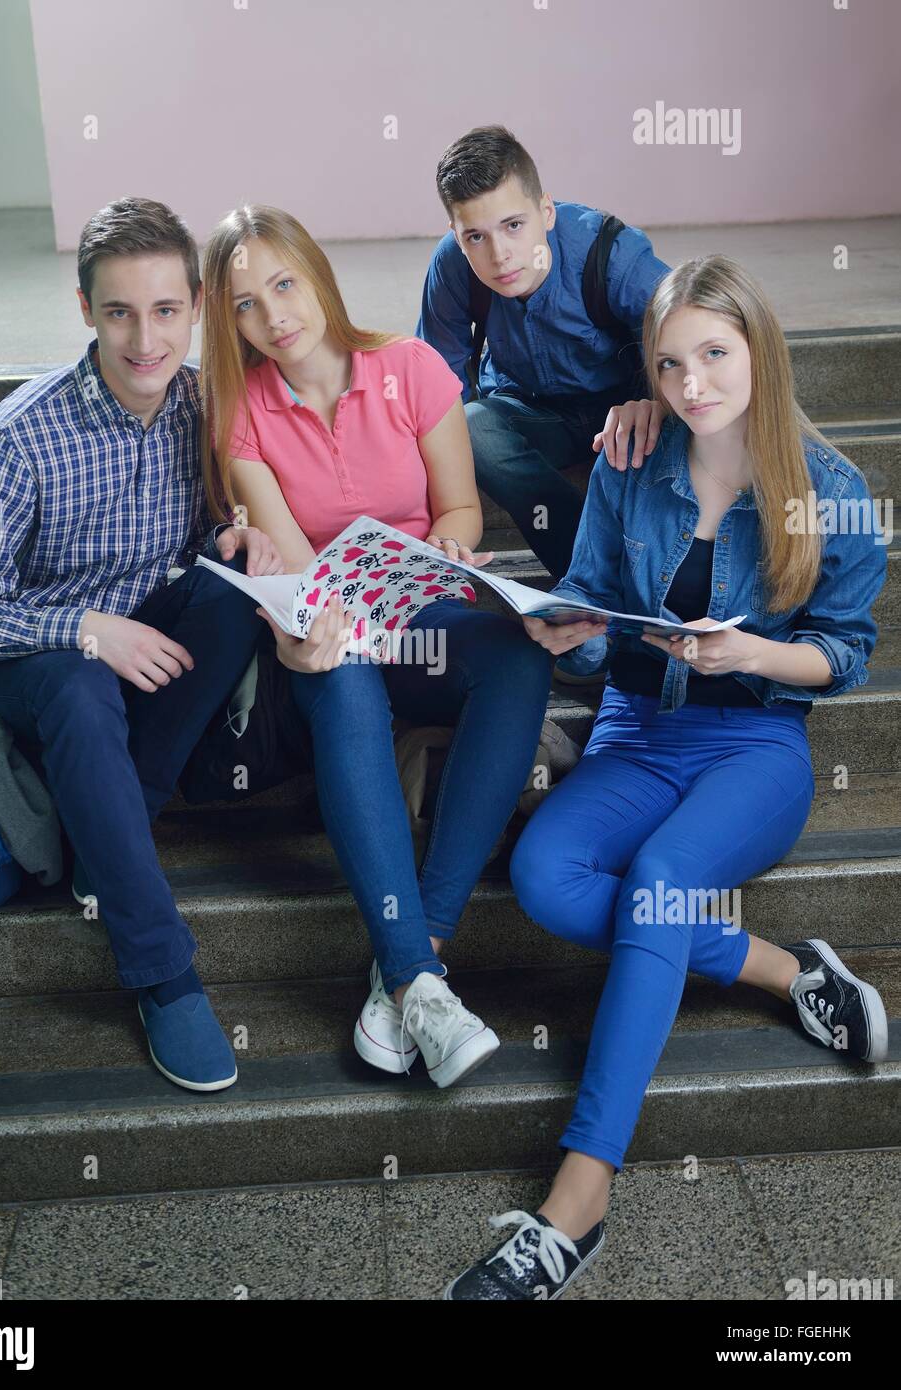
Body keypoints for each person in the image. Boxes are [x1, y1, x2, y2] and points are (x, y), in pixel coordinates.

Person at [444, 253, 889, 1299]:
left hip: (754, 741)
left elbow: (845, 651)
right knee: (547, 870)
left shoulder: (828, 491)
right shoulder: (629, 463)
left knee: (662, 873)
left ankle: (577, 1196)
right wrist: (571, 632)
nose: (693, 384)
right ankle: (787, 970)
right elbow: (596, 601)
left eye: (715, 354)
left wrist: (750, 656)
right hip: (637, 729)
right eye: (671, 363)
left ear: (758, 349)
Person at [0, 197, 286, 1094]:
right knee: (82, 690)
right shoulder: (15, 436)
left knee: (234, 595)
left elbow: (205, 539)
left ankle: (106, 825)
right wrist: (84, 629)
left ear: (196, 306)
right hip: (39, 667)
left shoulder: (201, 403)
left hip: (146, 651)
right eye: (119, 311)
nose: (145, 340)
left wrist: (233, 539)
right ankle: (162, 972)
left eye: (166, 311)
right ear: (85, 309)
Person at [199, 203, 562, 1087]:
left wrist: (447, 543)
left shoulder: (411, 368)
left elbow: (460, 507)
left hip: (424, 613)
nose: (274, 315)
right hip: (327, 640)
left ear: (318, 272)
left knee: (519, 652)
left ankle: (414, 956)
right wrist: (307, 630)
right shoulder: (243, 411)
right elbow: (288, 560)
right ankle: (417, 979)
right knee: (339, 658)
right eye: (246, 304)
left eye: (285, 284)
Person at [416, 124, 671, 600]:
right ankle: (590, 578)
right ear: (455, 233)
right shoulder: (452, 265)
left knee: (688, 423)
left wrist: (655, 400)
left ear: (546, 212)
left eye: (514, 226)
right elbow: (436, 388)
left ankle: (636, 579)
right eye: (475, 236)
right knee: (469, 426)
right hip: (528, 411)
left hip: (622, 415)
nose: (499, 254)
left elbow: (693, 334)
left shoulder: (609, 252)